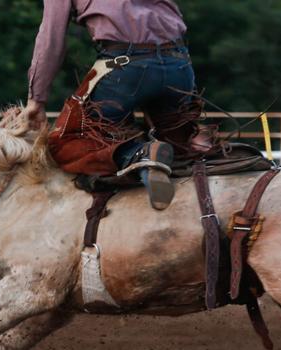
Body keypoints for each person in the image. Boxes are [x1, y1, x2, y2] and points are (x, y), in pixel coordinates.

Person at [22, 0, 209, 211]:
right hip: (179, 64)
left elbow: (51, 40)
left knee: (67, 140)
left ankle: (139, 155)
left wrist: (36, 99)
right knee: (183, 149)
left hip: (124, 66)